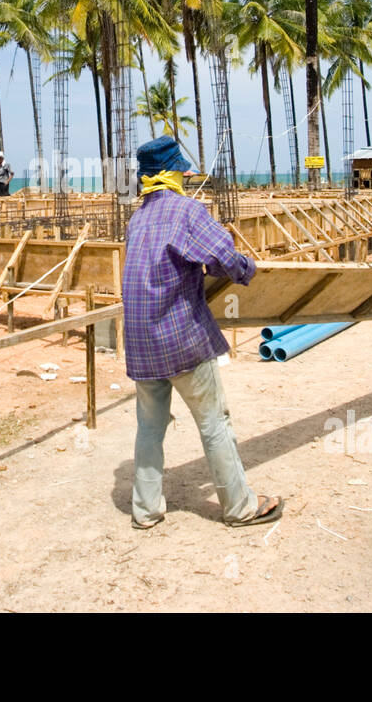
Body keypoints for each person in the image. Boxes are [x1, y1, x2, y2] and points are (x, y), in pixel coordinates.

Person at [122, 135, 283, 530]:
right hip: (180, 338)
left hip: (141, 344)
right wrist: (248, 270)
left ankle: (145, 511)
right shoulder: (186, 212)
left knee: (149, 426)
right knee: (214, 422)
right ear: (174, 174)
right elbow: (225, 257)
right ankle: (240, 507)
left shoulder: (137, 218)